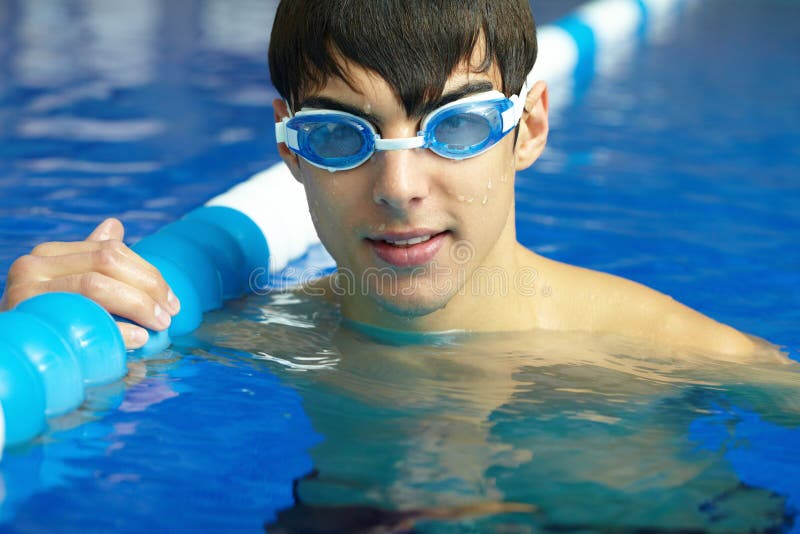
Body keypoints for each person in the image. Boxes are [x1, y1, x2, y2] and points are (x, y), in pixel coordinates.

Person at [0, 0, 776, 361]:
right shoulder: (258, 337)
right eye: (340, 134)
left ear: (529, 127)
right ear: (290, 150)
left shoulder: (667, 354)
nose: (398, 185)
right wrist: (47, 321)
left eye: (458, 126)